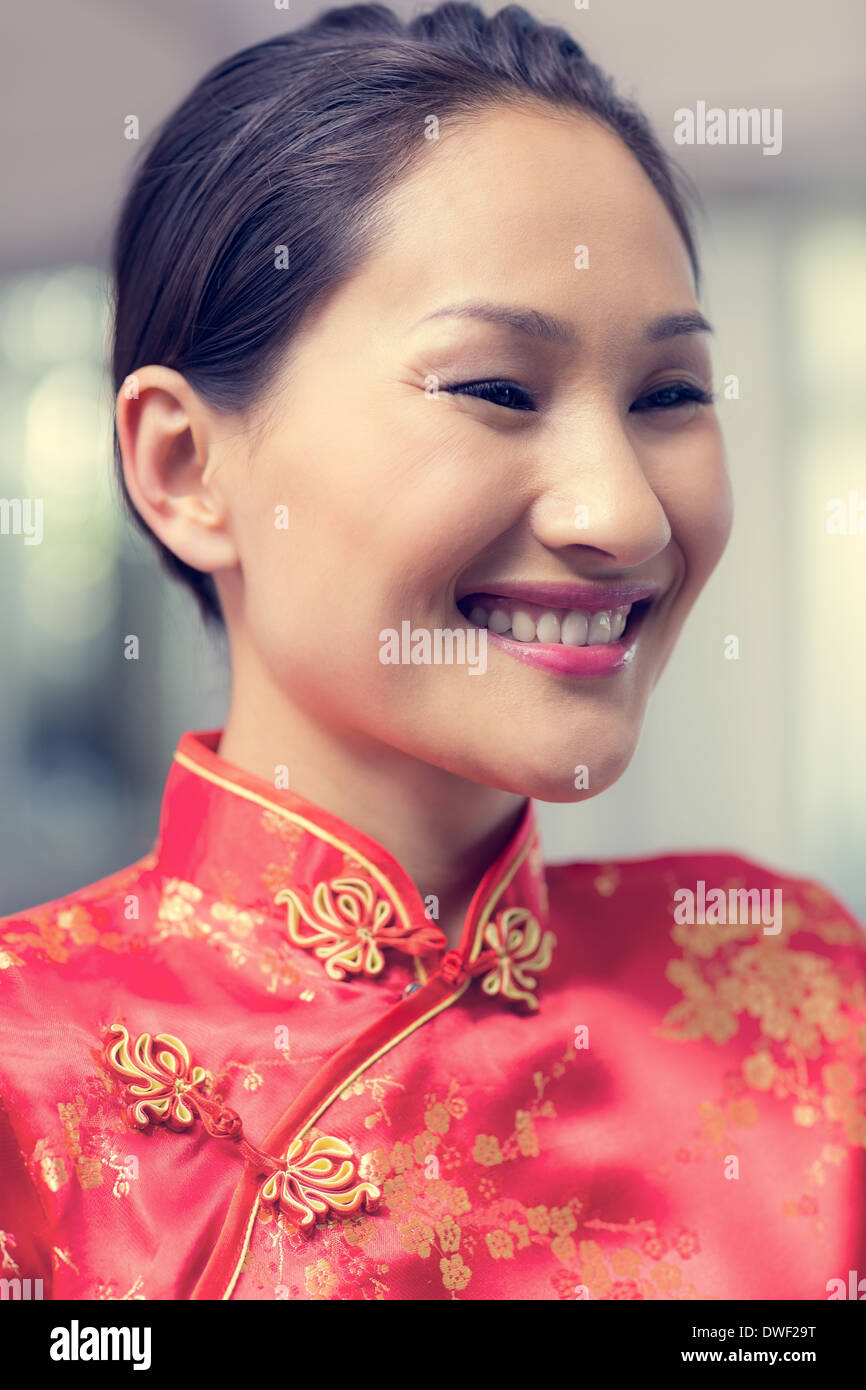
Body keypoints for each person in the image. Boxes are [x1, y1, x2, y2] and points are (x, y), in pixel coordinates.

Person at [1, 2, 863, 1302]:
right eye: (494, 389)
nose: (621, 513)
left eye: (668, 395)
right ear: (186, 467)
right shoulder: (24, 1076)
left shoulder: (788, 988)